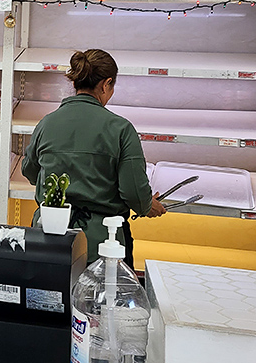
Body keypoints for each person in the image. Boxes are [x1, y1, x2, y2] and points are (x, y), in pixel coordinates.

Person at [22, 48, 166, 267]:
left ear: (75, 82)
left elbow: (30, 171)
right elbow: (133, 191)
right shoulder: (121, 129)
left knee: (49, 287)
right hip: (102, 241)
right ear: (106, 84)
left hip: (47, 235)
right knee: (100, 289)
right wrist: (147, 205)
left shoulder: (46, 123)